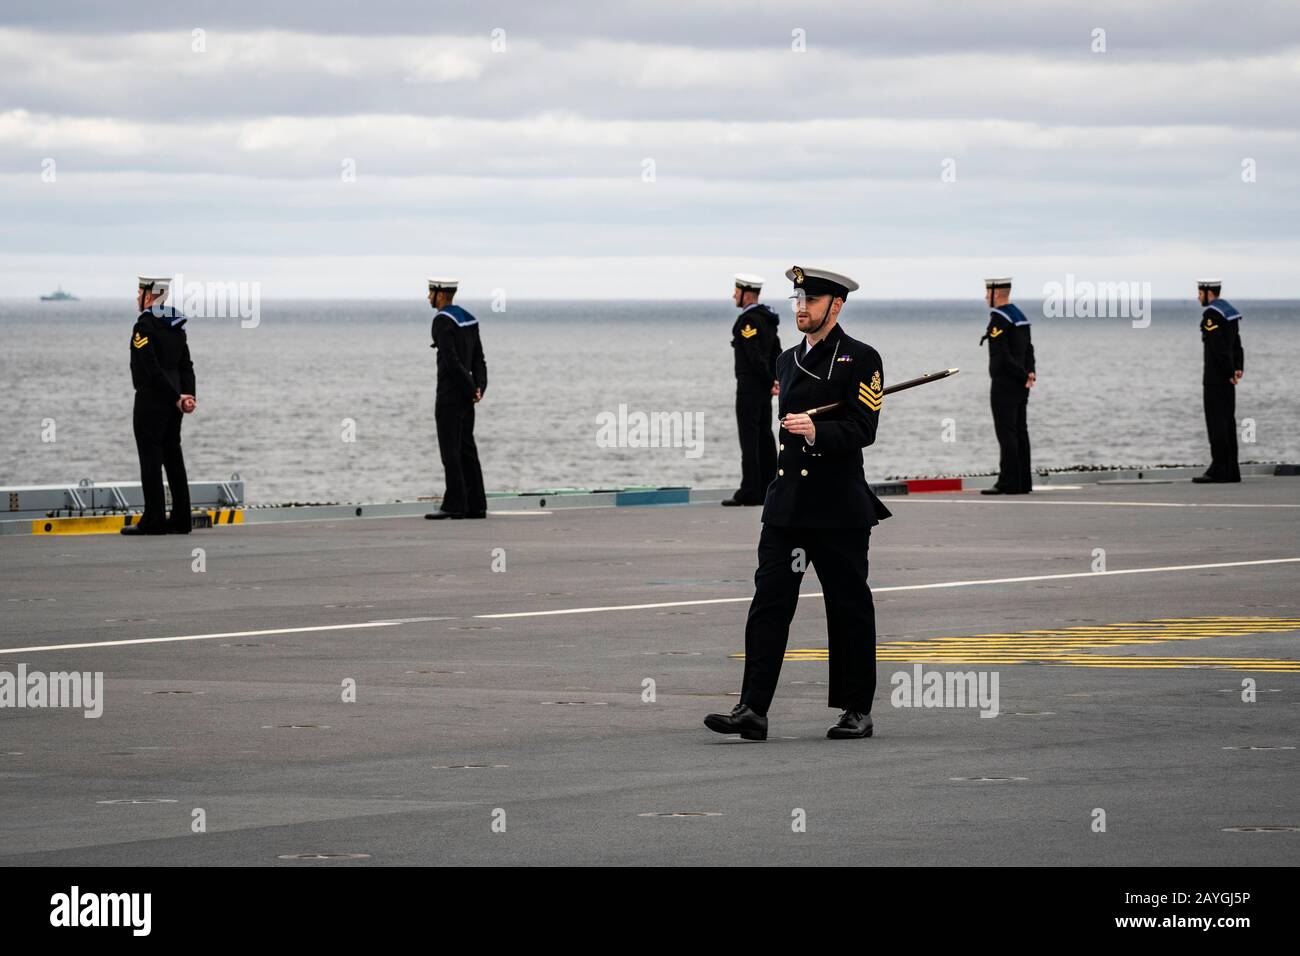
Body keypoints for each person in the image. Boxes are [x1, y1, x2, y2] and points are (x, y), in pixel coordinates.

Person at [705, 266, 890, 741]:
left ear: (837, 306)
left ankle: (856, 709)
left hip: (838, 509)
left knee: (848, 607)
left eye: (811, 301)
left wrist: (818, 431)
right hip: (787, 507)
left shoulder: (862, 359)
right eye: (797, 301)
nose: (801, 309)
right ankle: (752, 708)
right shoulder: (786, 361)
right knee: (768, 603)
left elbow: (863, 430)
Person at [122, 275, 196, 536]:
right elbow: (185, 365)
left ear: (149, 296)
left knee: (150, 459)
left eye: (139, 293)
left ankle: (153, 519)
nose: (136, 298)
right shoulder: (176, 324)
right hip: (175, 403)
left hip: (152, 400)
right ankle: (181, 519)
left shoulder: (145, 326)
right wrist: (187, 395)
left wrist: (173, 396)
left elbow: (150, 368)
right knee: (173, 456)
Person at [425, 278, 488, 519]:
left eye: (431, 292)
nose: (428, 297)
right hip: (467, 396)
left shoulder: (441, 321)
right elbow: (478, 359)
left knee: (449, 450)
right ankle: (476, 505)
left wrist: (470, 387)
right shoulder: (469, 318)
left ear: (441, 295)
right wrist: (479, 386)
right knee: (466, 448)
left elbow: (450, 360)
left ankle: (454, 505)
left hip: (450, 395)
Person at [722, 273, 781, 507]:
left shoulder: (748, 322)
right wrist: (776, 379)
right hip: (764, 388)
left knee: (749, 439)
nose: (733, 295)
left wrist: (768, 381)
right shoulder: (767, 318)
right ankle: (769, 487)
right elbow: (777, 351)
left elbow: (753, 356)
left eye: (736, 292)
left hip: (750, 387)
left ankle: (749, 491)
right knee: (765, 437)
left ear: (746, 293)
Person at [979, 277, 1035, 495]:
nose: (985, 297)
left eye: (987, 293)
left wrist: (1022, 375)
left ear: (996, 294)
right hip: (1022, 384)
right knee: (1020, 431)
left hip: (1005, 383)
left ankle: (1008, 482)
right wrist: (1030, 373)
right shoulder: (1020, 317)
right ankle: (1023, 482)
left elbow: (1002, 356)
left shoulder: (999, 319)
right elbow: (1029, 350)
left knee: (1006, 433)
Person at [1194, 279, 1244, 484]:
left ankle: (1218, 470)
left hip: (1216, 379)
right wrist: (1238, 368)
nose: (1197, 297)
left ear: (1208, 293)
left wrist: (1228, 371)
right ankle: (1231, 470)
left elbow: (1219, 348)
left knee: (1217, 424)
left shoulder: (1211, 315)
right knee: (1228, 423)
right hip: (1228, 378)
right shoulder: (1229, 312)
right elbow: (1236, 344)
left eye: (1199, 293)